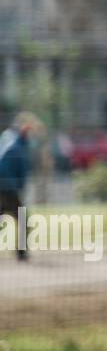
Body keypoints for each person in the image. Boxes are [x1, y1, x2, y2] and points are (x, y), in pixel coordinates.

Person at [0, 112, 43, 262]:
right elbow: (11, 169)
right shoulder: (17, 147)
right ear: (25, 128)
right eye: (33, 131)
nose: (34, 135)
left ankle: (21, 252)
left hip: (6, 186)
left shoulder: (8, 137)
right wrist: (17, 185)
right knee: (25, 220)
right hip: (7, 188)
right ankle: (22, 254)